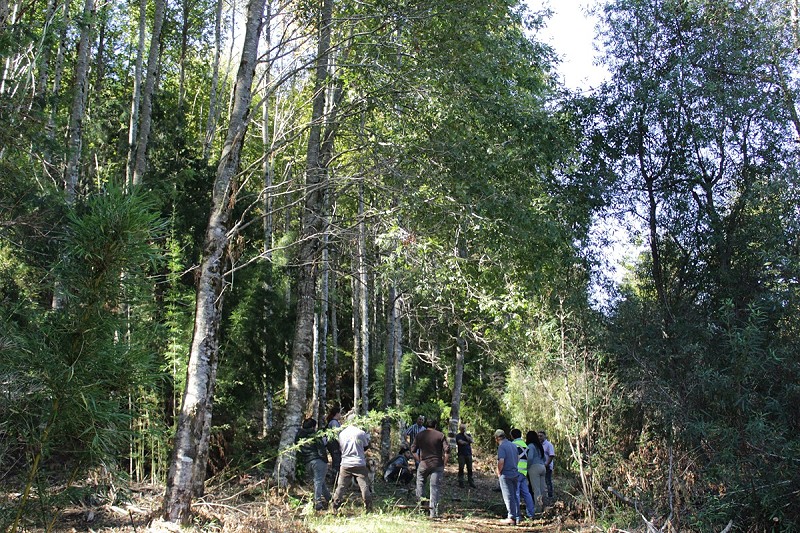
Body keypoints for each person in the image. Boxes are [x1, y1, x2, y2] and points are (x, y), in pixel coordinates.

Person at [332, 413, 372, 512]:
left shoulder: (342, 433)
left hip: (345, 463)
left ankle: (335, 507)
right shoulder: (360, 433)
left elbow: (340, 447)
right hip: (359, 463)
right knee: (364, 486)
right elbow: (366, 446)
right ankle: (368, 508)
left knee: (341, 486)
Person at [410, 418, 449, 518]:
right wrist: (444, 463)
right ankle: (433, 513)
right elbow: (447, 451)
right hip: (437, 464)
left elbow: (413, 450)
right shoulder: (440, 435)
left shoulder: (420, 435)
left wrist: (418, 460)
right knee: (434, 487)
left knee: (420, 484)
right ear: (435, 426)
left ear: (426, 425)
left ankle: (421, 509)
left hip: (424, 463)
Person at [294, 418, 331, 511]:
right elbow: (321, 449)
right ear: (313, 426)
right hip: (318, 460)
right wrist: (325, 460)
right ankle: (318, 502)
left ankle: (329, 498)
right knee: (318, 481)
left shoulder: (299, 437)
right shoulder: (315, 436)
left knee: (320, 481)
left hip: (307, 461)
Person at [494, 429, 521, 526]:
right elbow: (518, 458)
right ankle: (517, 517)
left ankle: (511, 517)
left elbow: (501, 461)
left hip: (506, 474)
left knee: (508, 496)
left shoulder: (502, 447)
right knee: (514, 495)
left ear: (497, 438)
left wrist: (499, 472)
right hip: (515, 473)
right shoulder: (513, 445)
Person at [510, 428, 535, 520]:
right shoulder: (526, 445)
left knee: (515, 493)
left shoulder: (513, 445)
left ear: (512, 436)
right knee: (526, 493)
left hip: (515, 471)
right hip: (524, 472)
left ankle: (517, 516)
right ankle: (531, 514)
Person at [526, 430, 547, 514]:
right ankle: (544, 507)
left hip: (534, 468)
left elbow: (530, 458)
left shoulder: (531, 446)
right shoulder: (539, 446)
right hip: (542, 467)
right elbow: (544, 458)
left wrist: (527, 467)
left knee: (536, 490)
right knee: (542, 489)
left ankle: (537, 509)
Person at [455, 423, 475, 488]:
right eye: (462, 428)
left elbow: (472, 440)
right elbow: (461, 442)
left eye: (464, 428)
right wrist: (467, 442)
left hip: (468, 454)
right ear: (459, 429)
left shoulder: (468, 435)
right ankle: (461, 482)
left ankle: (471, 481)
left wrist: (466, 435)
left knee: (470, 469)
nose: (463, 429)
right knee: (461, 468)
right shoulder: (458, 436)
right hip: (461, 455)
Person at [325, 406, 342, 483]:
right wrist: (341, 444)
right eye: (340, 413)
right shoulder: (334, 422)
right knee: (336, 461)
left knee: (336, 460)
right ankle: (334, 479)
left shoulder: (332, 422)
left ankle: (335, 478)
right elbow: (337, 435)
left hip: (332, 444)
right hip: (334, 444)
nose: (340, 415)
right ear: (337, 413)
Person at [539, 430, 555, 499]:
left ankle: (550, 495)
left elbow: (551, 455)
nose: (539, 437)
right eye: (538, 436)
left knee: (548, 480)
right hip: (540, 466)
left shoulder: (548, 445)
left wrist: (546, 464)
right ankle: (542, 495)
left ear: (545, 436)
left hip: (547, 466)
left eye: (541, 436)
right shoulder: (538, 445)